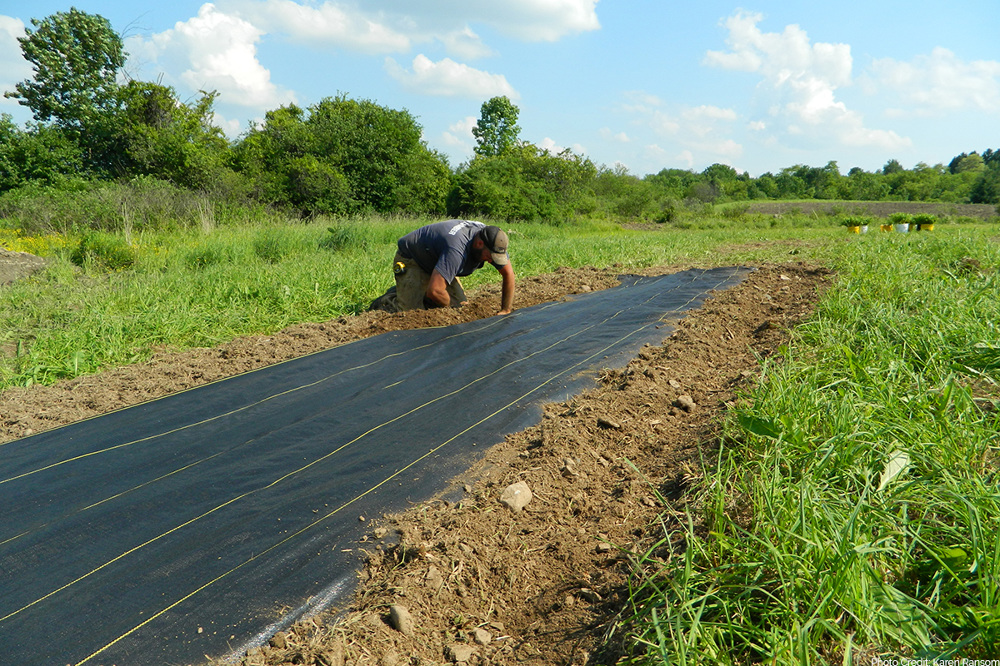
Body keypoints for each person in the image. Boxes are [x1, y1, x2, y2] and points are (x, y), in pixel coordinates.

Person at [370, 220, 516, 315]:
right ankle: (391, 299)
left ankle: (422, 289)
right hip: (413, 259)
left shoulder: (493, 239)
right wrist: (453, 312)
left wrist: (505, 309)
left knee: (461, 306)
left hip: (439, 260)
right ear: (479, 244)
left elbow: (508, 274)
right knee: (412, 314)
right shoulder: (456, 249)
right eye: (489, 256)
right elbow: (435, 291)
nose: (491, 261)